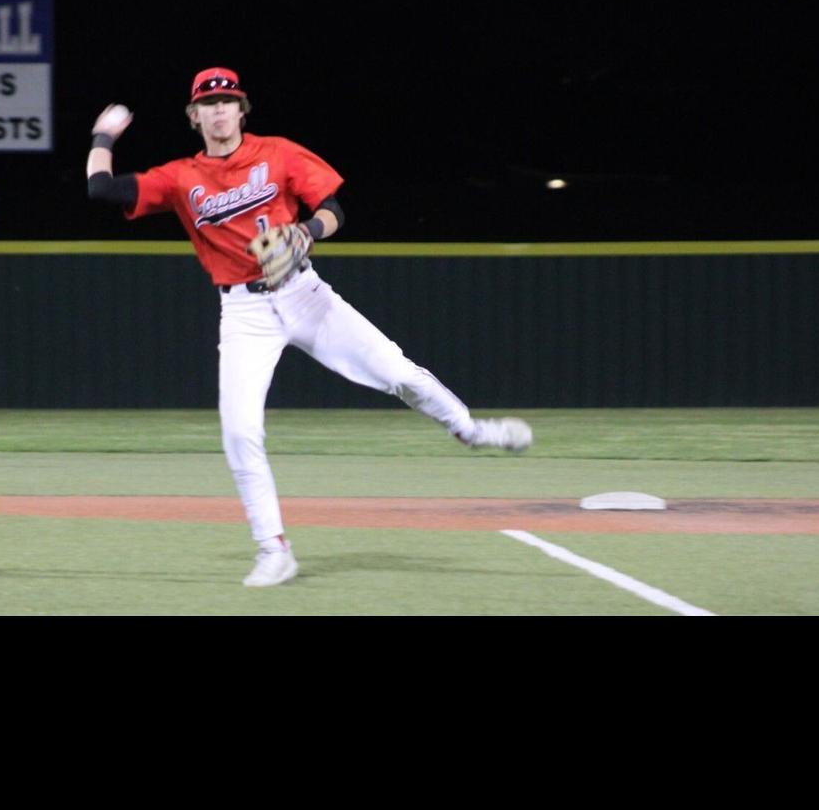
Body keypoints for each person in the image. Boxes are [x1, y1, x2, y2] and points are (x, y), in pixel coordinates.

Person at [85, 66, 531, 588]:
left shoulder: (278, 153)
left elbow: (334, 207)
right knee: (239, 431)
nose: (219, 109)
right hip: (244, 314)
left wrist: (308, 231)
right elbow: (101, 189)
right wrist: (102, 137)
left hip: (303, 293)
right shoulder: (182, 176)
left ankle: (470, 430)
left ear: (242, 110)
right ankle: (273, 549)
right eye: (208, 103)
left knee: (397, 372)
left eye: (228, 101)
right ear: (193, 116)